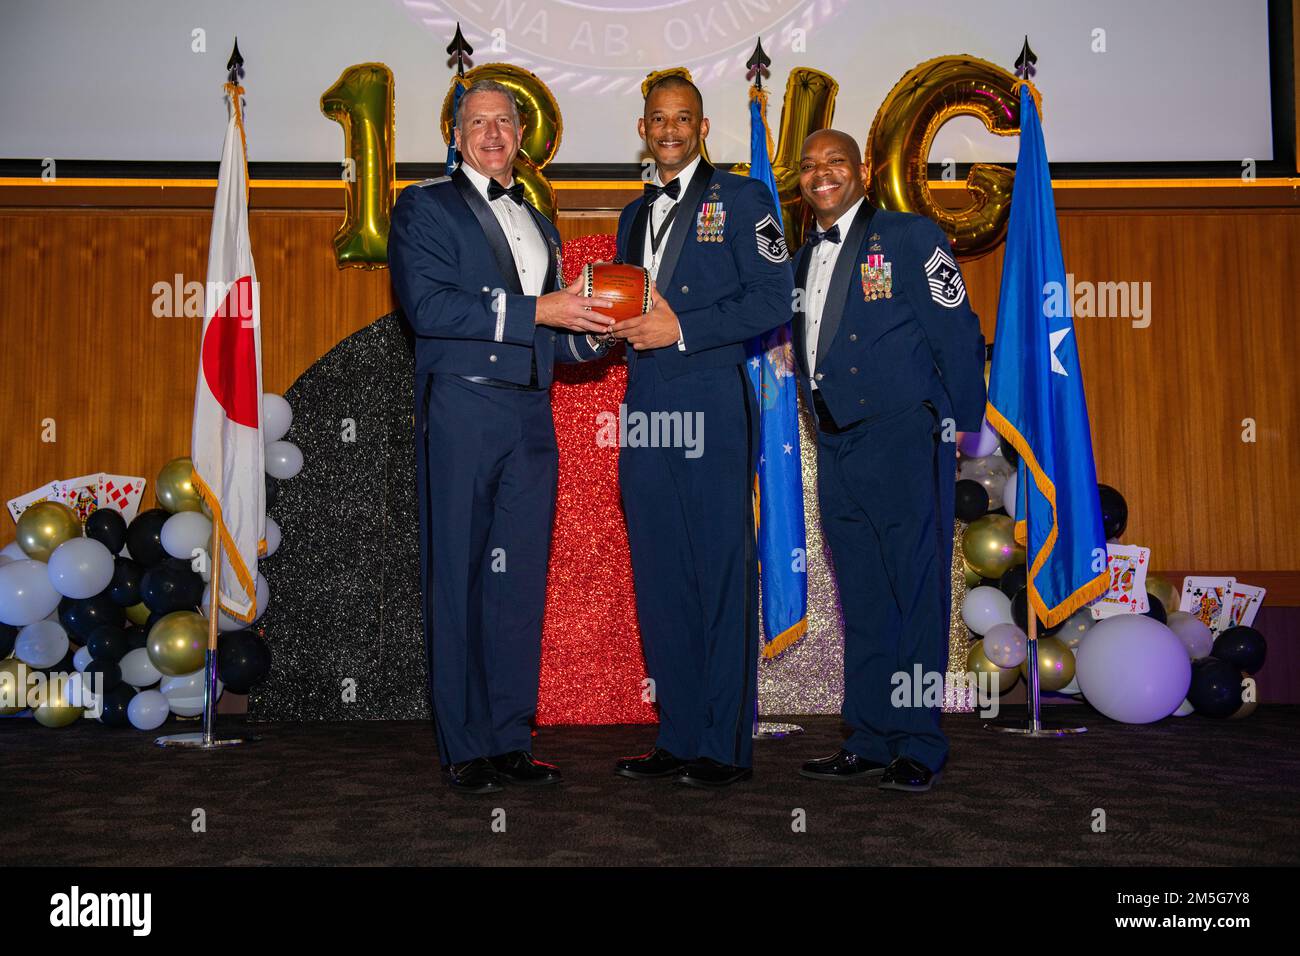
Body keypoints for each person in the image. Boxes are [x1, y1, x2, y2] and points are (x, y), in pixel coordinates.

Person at [389, 80, 614, 794]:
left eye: (503, 122)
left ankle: (510, 738)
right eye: (476, 123)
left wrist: (604, 333)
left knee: (516, 582)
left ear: (523, 135)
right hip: (462, 409)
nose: (491, 133)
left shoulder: (540, 220)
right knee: (457, 577)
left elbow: (550, 331)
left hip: (530, 415)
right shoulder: (424, 206)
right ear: (455, 136)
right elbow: (427, 307)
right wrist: (540, 308)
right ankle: (462, 745)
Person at [611, 74, 794, 788]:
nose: (670, 129)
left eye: (683, 118)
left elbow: (776, 297)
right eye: (658, 118)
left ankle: (723, 746)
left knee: (718, 571)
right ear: (643, 127)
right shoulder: (632, 215)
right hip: (646, 406)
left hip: (713, 404)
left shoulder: (745, 199)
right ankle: (678, 735)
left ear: (704, 126)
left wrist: (681, 328)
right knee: (660, 575)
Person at [792, 129, 985, 792]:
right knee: (865, 598)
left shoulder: (910, 237)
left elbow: (958, 335)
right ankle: (869, 736)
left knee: (914, 594)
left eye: (836, 163)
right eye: (810, 166)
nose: (822, 175)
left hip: (906, 439)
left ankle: (918, 740)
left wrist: (957, 426)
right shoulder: (799, 259)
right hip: (838, 445)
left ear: (864, 170)